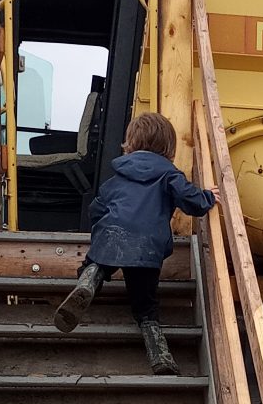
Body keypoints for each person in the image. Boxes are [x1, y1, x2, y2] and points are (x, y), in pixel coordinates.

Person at [53, 109, 216, 373]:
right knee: (145, 304)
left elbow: (96, 209)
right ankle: (159, 354)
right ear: (169, 148)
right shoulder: (169, 175)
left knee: (100, 260)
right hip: (146, 247)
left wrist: (101, 233)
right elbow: (191, 201)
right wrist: (208, 197)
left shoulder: (118, 176)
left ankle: (89, 278)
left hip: (112, 234)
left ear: (130, 143)